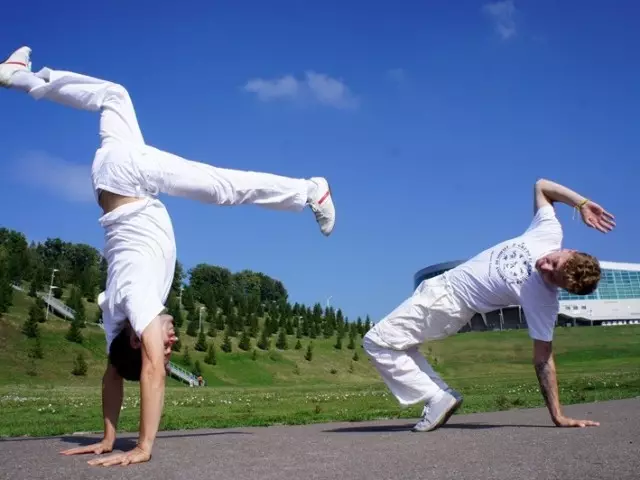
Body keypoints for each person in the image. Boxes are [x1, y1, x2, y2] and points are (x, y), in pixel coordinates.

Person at [1, 46, 336, 466]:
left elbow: (152, 372)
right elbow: (112, 373)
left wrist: (142, 447)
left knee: (225, 188)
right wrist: (107, 437)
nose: (172, 342)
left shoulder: (139, 303)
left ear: (141, 339)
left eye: (164, 344)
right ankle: (22, 78)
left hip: (132, 179)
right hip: (108, 177)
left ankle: (309, 191)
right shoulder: (115, 317)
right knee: (114, 95)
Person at [363, 178, 615, 432]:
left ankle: (438, 396)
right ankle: (438, 395)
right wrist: (581, 203)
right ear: (568, 250)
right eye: (554, 262)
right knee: (398, 345)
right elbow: (541, 186)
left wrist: (557, 415)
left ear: (561, 287)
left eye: (553, 276)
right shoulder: (547, 233)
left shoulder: (544, 301)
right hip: (440, 294)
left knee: (376, 341)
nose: (545, 267)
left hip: (447, 302)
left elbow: (543, 359)